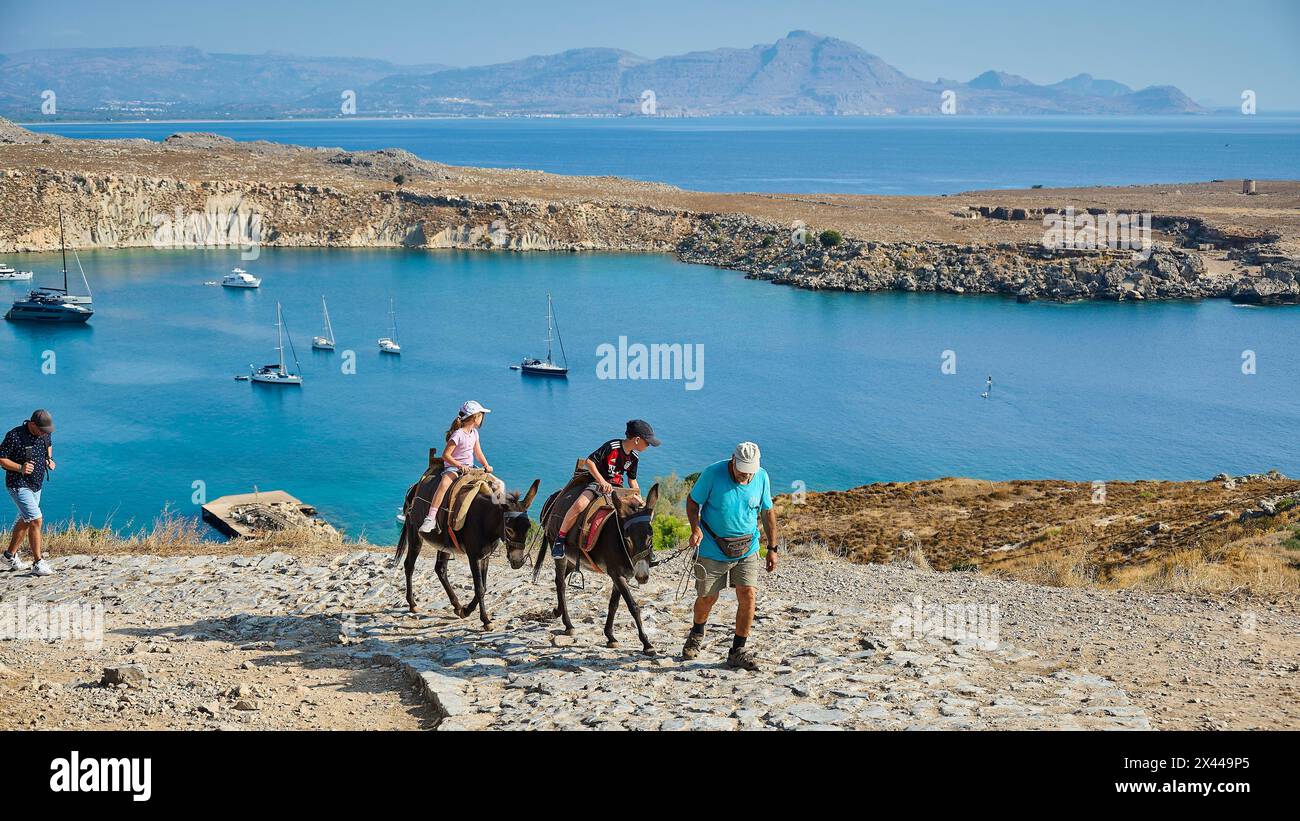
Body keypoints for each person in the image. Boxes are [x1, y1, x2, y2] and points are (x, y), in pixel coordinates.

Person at [681, 441, 778, 671]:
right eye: (741, 470)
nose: (745, 476)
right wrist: (695, 529)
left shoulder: (761, 477)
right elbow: (693, 502)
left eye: (749, 472)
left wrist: (772, 548)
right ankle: (697, 632)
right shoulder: (712, 474)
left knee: (748, 594)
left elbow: (767, 511)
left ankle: (738, 650)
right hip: (712, 547)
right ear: (732, 460)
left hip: (748, 547)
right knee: (707, 598)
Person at [551, 419, 660, 558]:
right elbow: (590, 462)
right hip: (597, 485)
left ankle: (646, 549)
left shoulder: (634, 457)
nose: (649, 445)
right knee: (579, 505)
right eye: (647, 442)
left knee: (644, 513)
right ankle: (560, 539)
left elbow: (631, 479)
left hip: (618, 490)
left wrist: (638, 496)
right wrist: (602, 481)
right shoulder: (612, 446)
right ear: (637, 439)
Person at [419, 400, 493, 534]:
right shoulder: (458, 434)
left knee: (495, 484)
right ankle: (431, 518)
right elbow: (446, 455)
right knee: (444, 484)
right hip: (454, 468)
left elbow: (478, 452)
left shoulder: (474, 433)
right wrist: (459, 465)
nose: (483, 418)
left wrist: (486, 465)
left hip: (470, 468)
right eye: (481, 415)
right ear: (475, 417)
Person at [1, 409, 57, 576]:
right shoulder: (15, 436)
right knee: (35, 519)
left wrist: (49, 459)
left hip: (36, 484)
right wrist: (20, 467)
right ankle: (38, 563)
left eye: (46, 431)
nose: (43, 433)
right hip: (18, 484)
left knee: (26, 520)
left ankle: (9, 556)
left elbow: (49, 445)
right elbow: (1, 458)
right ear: (32, 424)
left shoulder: (44, 432)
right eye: (41, 430)